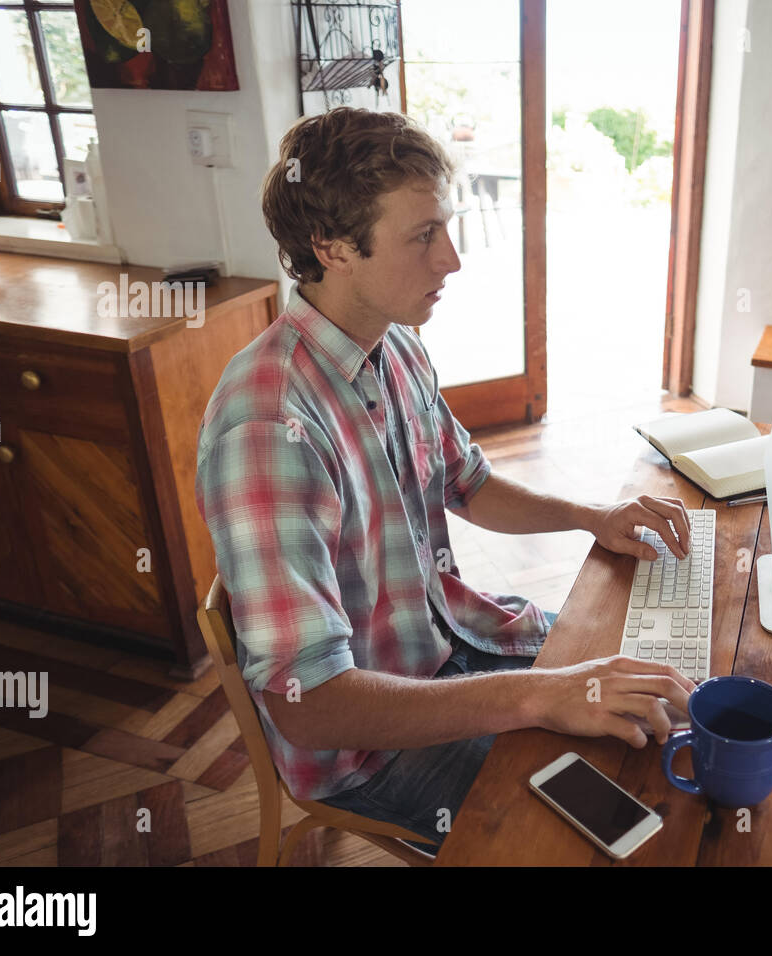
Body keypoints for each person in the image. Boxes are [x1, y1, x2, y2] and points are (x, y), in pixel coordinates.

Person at [195, 107, 694, 854]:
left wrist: (593, 516)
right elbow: (310, 705)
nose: (452, 259)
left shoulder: (394, 345)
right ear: (332, 248)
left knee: (666, 705)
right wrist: (538, 695)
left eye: (446, 227)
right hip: (373, 745)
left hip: (458, 643)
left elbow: (468, 482)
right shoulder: (268, 431)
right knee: (626, 828)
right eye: (424, 235)